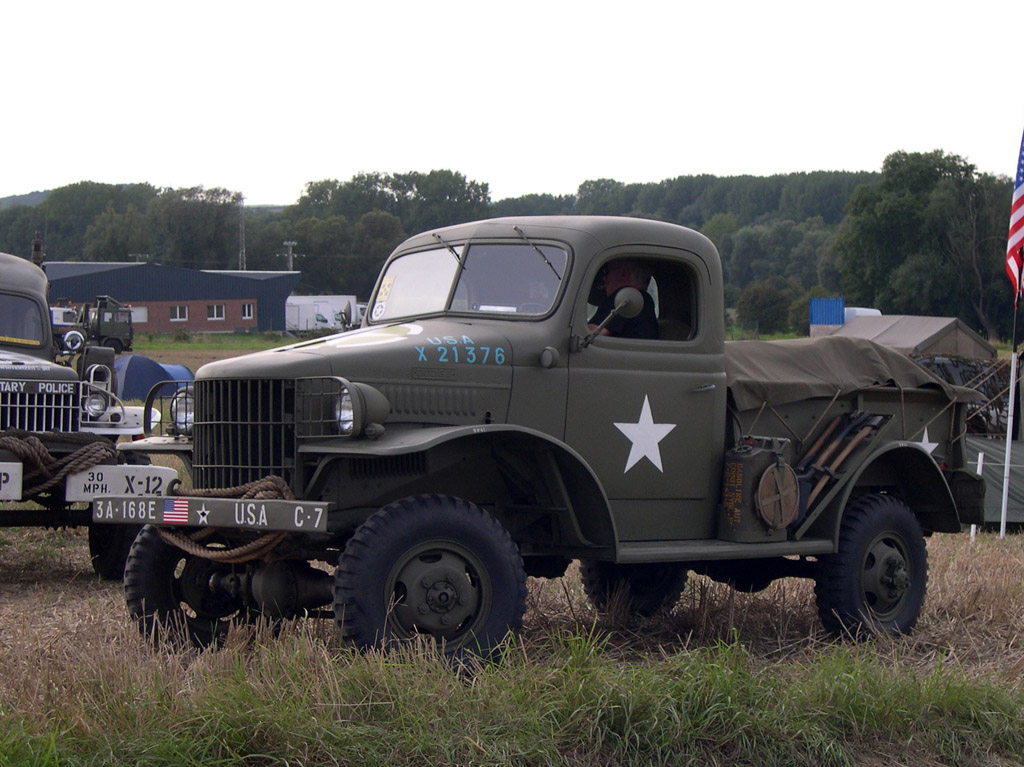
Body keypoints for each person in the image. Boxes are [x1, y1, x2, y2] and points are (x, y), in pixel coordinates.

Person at [587, 259, 658, 339]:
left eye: (607, 272)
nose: (604, 279)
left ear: (623, 274)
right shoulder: (645, 299)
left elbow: (590, 334)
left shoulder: (626, 297)